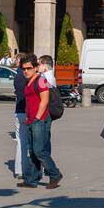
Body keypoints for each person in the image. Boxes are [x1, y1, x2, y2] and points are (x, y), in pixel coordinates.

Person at [18, 53, 63, 189]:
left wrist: (37, 118)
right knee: (32, 150)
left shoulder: (41, 80)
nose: (25, 71)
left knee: (39, 150)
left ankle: (55, 174)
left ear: (36, 68)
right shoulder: (28, 81)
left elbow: (45, 100)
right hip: (31, 119)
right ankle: (31, 180)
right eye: (23, 69)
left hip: (40, 119)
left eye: (29, 68)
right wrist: (28, 118)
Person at [12, 57, 31, 184]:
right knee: (33, 143)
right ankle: (35, 170)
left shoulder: (17, 77)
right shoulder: (32, 77)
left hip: (19, 111)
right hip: (30, 112)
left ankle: (19, 170)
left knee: (20, 142)